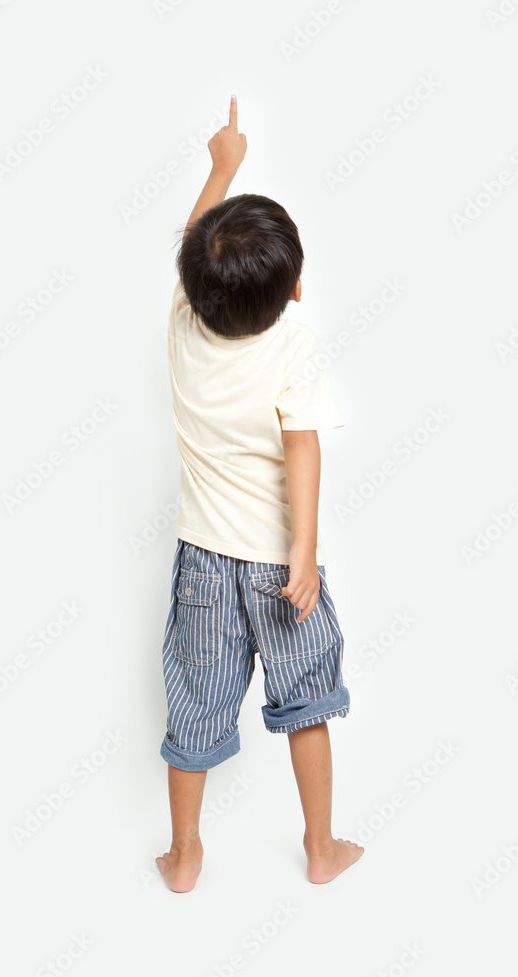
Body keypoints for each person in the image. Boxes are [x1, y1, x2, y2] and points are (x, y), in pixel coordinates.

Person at [156, 95, 364, 892]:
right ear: (294, 291)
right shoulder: (291, 346)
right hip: (282, 568)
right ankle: (320, 848)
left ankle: (184, 856)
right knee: (306, 702)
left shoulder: (182, 322)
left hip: (202, 567)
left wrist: (221, 167)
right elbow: (301, 447)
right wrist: (302, 552)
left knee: (194, 706)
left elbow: (192, 247)